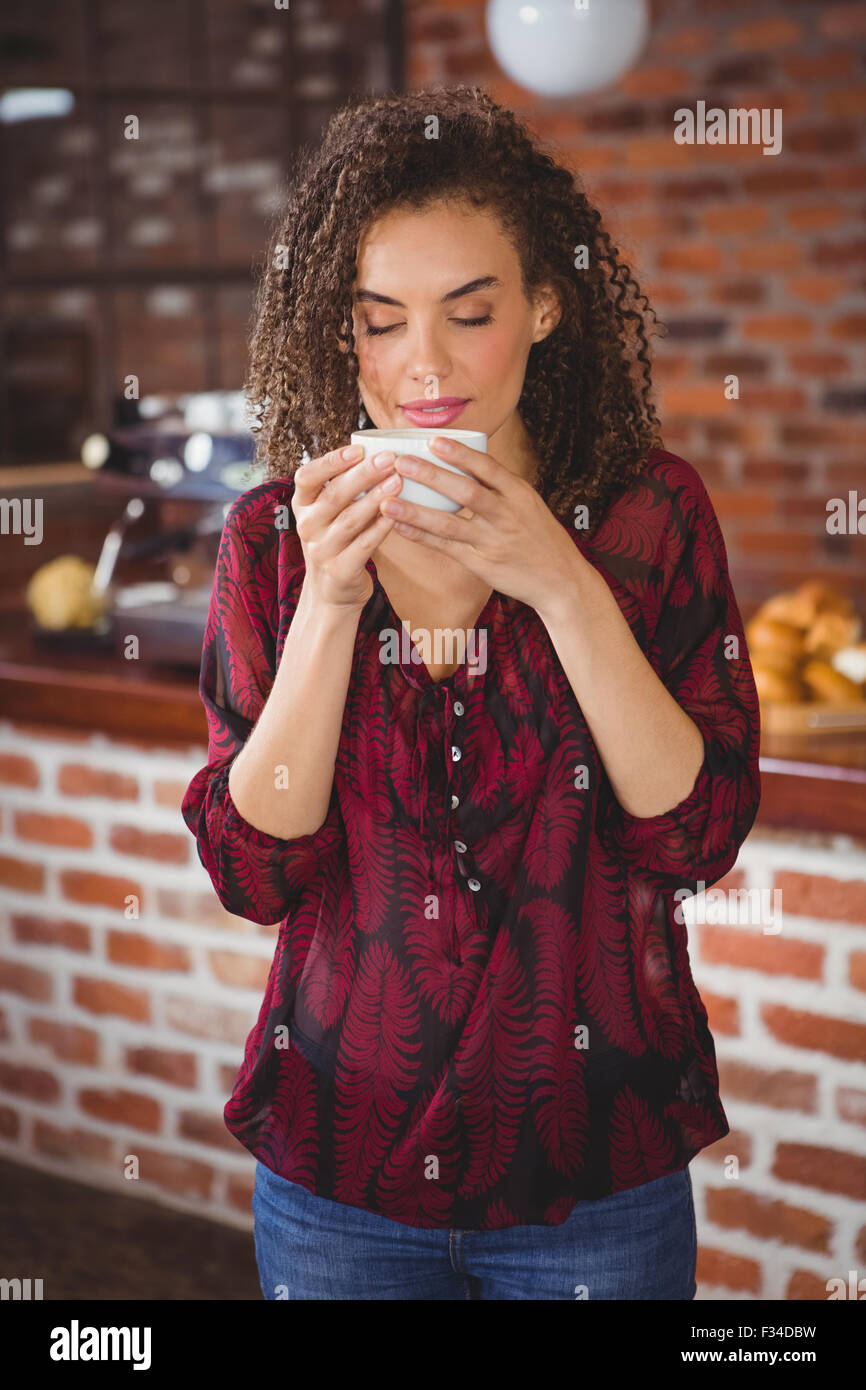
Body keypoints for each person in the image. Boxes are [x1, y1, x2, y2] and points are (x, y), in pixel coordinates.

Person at [181, 84, 761, 1301]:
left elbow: (691, 832)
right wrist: (333, 605)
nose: (424, 366)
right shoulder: (275, 543)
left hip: (596, 1177)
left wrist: (562, 582)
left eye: (469, 313)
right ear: (340, 330)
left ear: (544, 305)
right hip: (338, 1177)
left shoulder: (649, 517)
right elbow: (256, 871)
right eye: (379, 321)